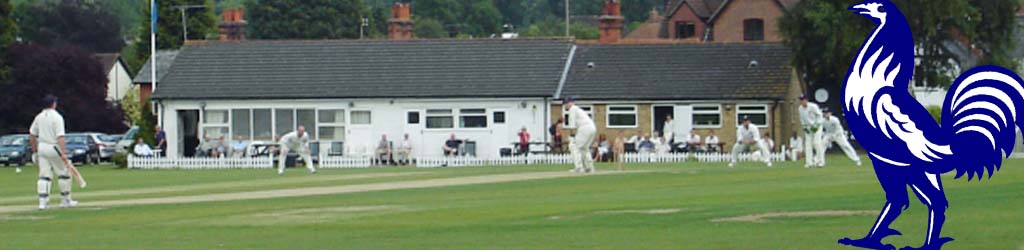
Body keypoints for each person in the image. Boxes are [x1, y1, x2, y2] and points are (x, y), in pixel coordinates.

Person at [29, 95, 77, 209]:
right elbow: (60, 137)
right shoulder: (57, 117)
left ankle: (43, 202)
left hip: (42, 148)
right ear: (54, 104)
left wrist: (35, 151)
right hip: (54, 148)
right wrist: (64, 153)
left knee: (44, 175)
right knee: (64, 174)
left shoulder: (39, 117)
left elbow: (32, 135)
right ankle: (65, 200)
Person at [562, 97, 597, 173]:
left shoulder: (572, 109)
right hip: (592, 127)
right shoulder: (578, 109)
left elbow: (572, 125)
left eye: (566, 104)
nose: (565, 106)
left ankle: (579, 168)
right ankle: (589, 167)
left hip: (585, 128)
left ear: (570, 103)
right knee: (584, 148)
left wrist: (571, 137)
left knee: (574, 146)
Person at [799, 94, 826, 168]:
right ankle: (809, 163)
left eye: (803, 100)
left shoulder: (813, 106)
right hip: (808, 127)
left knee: (816, 143)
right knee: (808, 144)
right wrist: (804, 127)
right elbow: (802, 119)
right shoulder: (800, 108)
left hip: (817, 126)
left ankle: (820, 162)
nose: (802, 102)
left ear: (806, 100)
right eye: (801, 100)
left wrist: (816, 125)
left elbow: (820, 116)